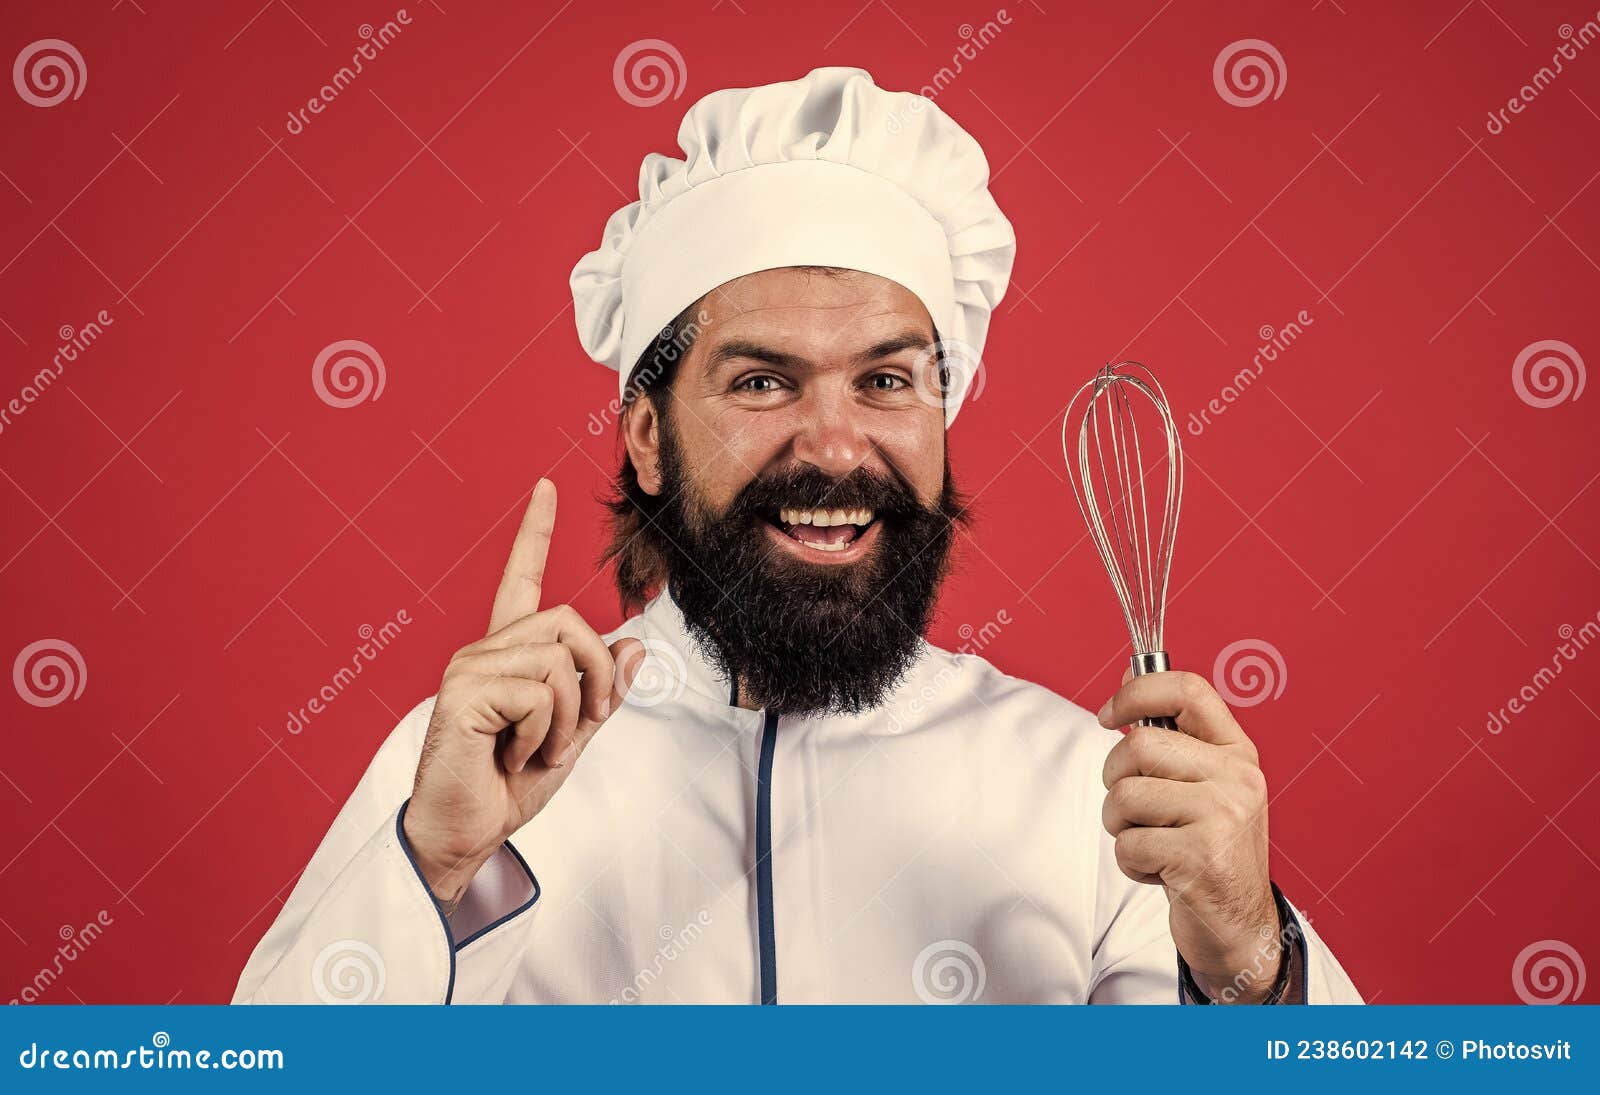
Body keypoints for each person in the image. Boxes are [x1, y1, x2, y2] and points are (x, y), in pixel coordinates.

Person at [235, 67, 1360, 1005]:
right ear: (647, 437)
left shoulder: (1091, 794)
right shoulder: (469, 773)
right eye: (762, 381)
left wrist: (1251, 960)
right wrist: (432, 868)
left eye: (886, 381)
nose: (834, 446)